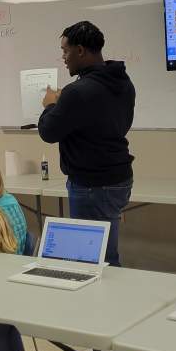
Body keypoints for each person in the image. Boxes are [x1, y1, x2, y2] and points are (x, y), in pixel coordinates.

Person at [38, 20, 135, 266]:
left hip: (92, 185)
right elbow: (116, 124)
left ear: (80, 50)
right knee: (106, 250)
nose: (64, 57)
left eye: (65, 51)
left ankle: (108, 302)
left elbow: (48, 132)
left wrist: (50, 103)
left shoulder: (77, 92)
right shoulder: (123, 83)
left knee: (95, 259)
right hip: (119, 178)